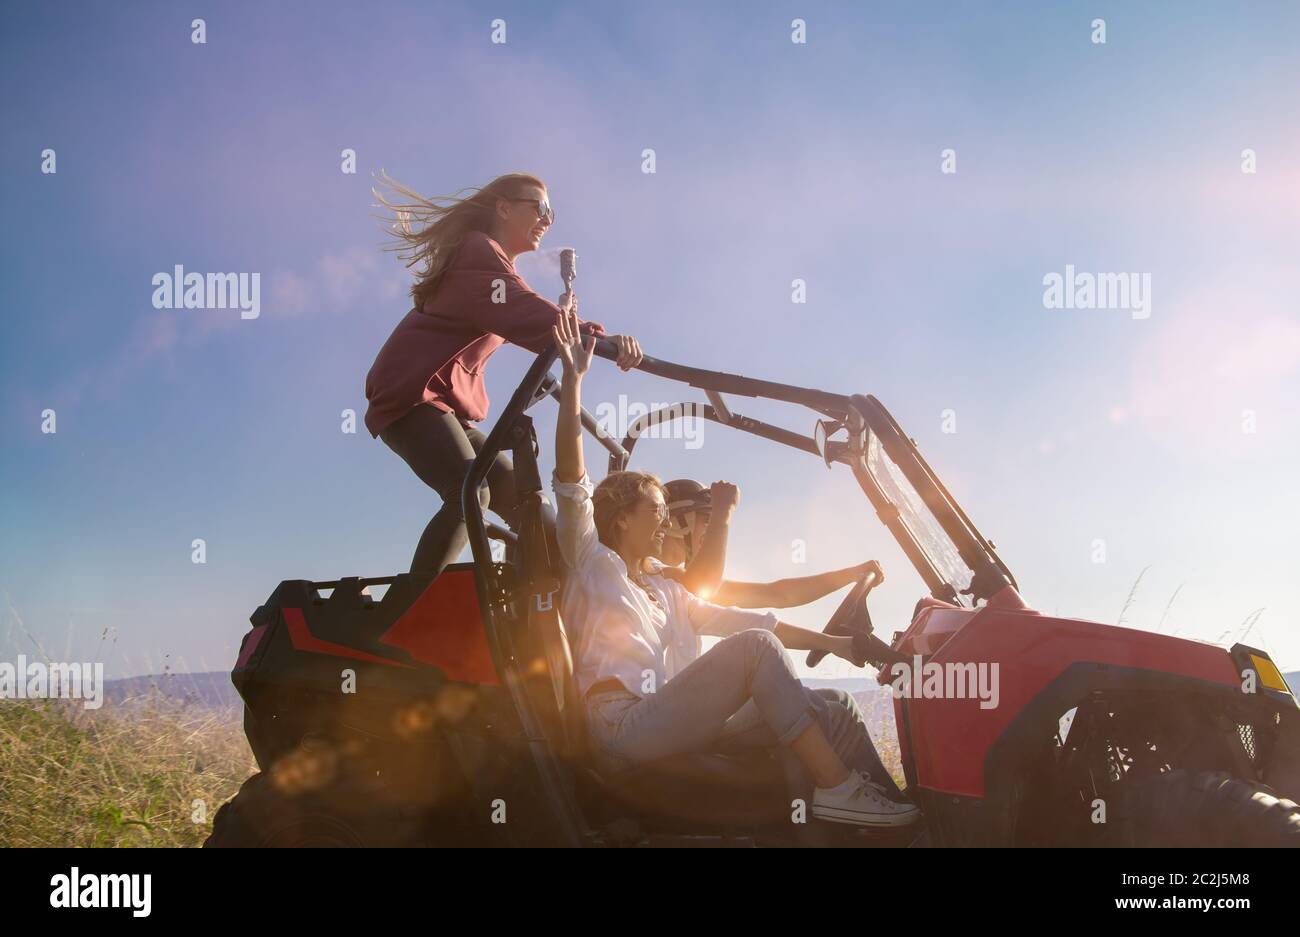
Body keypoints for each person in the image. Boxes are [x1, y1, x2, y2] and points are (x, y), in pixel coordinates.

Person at [549, 310, 918, 828]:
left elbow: (755, 619)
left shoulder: (664, 588)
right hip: (621, 727)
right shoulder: (592, 561)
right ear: (621, 518)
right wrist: (573, 382)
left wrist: (837, 645)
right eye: (657, 512)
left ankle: (897, 823)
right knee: (754, 651)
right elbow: (571, 481)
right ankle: (838, 789)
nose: (665, 523)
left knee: (833, 704)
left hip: (668, 720)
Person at [363, 172, 642, 575]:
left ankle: (549, 599)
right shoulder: (477, 251)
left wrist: (569, 324)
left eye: (552, 213)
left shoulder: (493, 263)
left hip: (443, 407)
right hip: (411, 395)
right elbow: (520, 308)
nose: (547, 219)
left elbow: (521, 310)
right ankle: (407, 608)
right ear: (504, 208)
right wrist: (596, 336)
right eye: (540, 207)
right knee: (470, 494)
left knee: (527, 503)